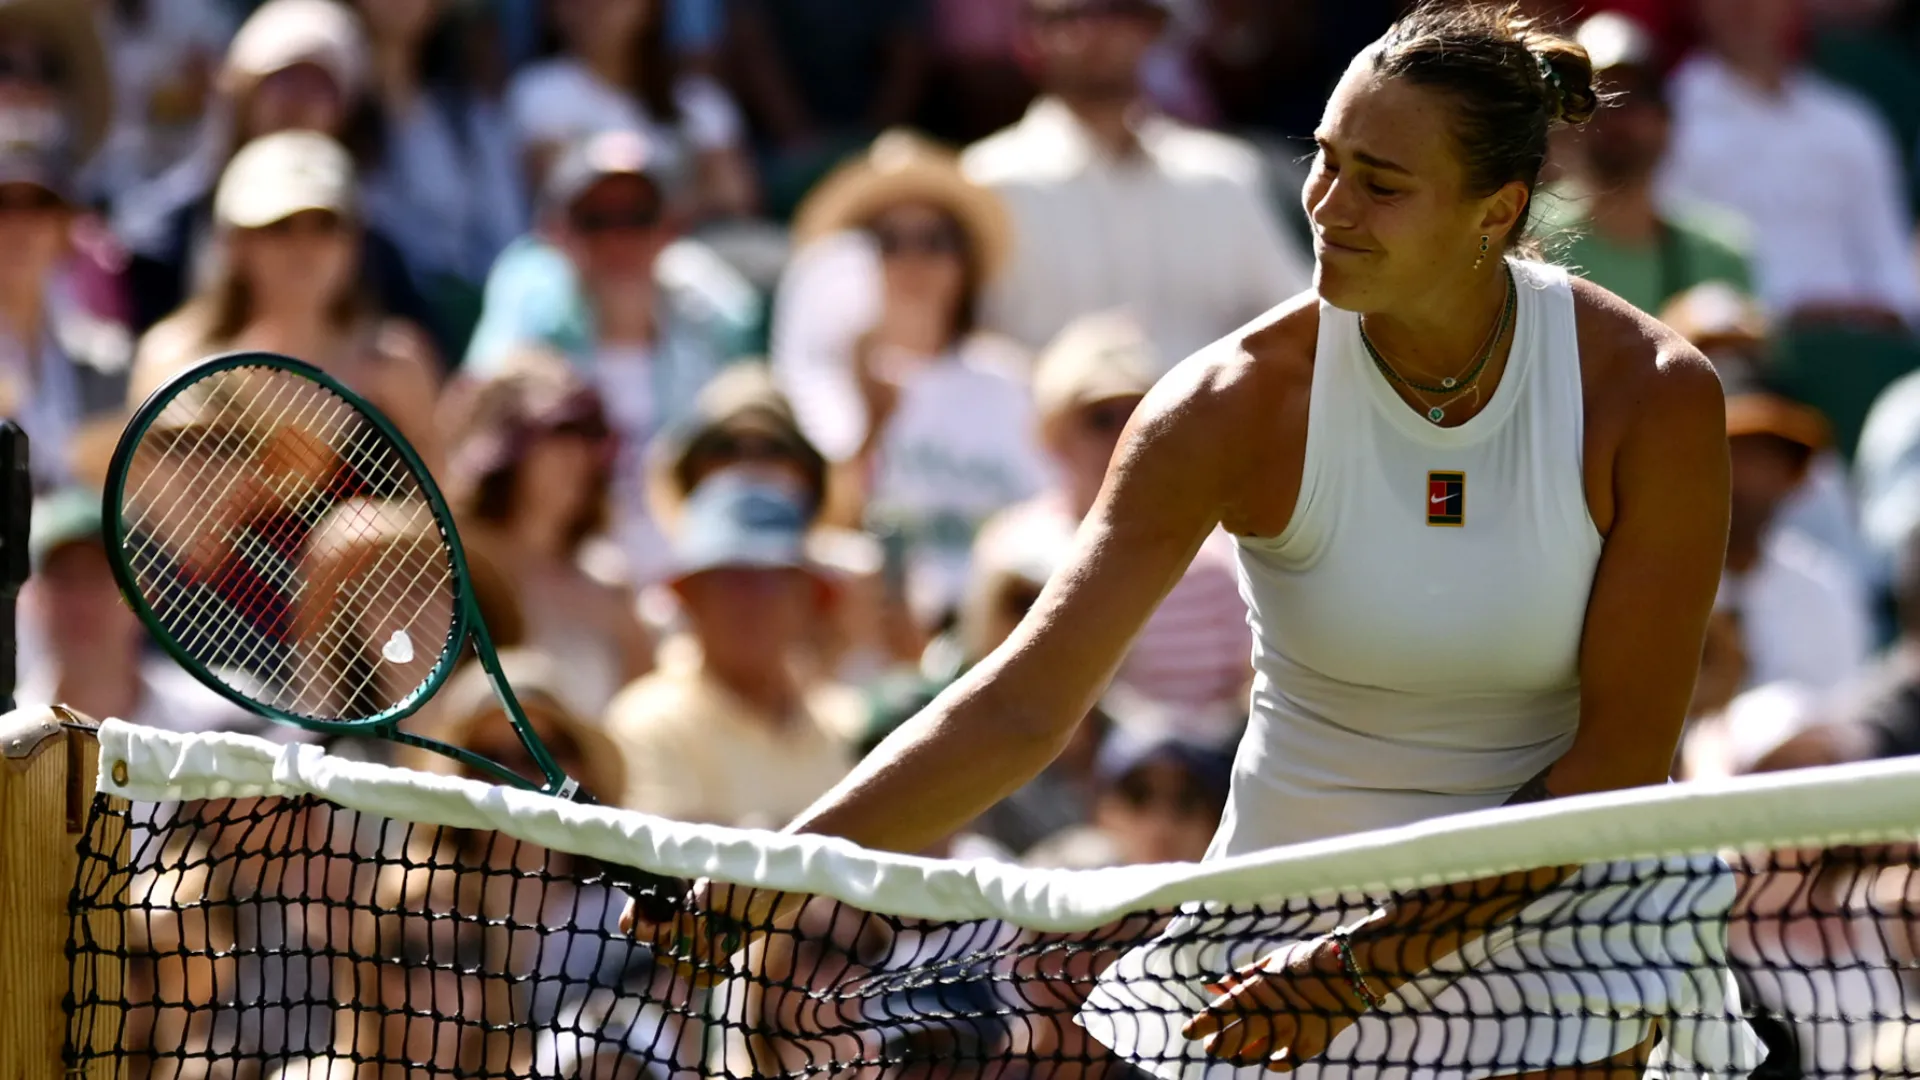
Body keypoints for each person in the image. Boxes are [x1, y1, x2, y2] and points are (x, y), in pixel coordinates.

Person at [629, 4, 1764, 1077]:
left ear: (1497, 212)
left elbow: (1613, 770)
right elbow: (1026, 703)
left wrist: (1351, 971)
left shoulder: (1650, 397)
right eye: (1322, 159)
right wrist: (775, 876)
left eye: (1381, 183)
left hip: (1553, 928)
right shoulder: (1226, 403)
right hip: (1283, 921)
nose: (1327, 204)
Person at [775, 129, 1050, 625]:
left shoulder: (1011, 383)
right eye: (888, 242)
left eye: (934, 241)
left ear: (965, 260)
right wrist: (870, 423)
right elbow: (816, 527)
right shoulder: (815, 382)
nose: (912, 260)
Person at [464, 127, 760, 582]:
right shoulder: (526, 311)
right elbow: (471, 424)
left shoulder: (719, 323)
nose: (618, 240)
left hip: (699, 582)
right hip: (568, 583)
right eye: (595, 220)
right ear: (557, 233)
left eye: (637, 217)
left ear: (670, 228)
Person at [960, 0, 1311, 366]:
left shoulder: (1224, 175)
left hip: (1211, 422)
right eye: (1069, 15)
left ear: (1153, 28)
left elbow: (1300, 318)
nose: (1095, 32)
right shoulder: (985, 183)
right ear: (1030, 37)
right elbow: (955, 349)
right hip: (1036, 421)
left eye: (1117, 11)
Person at [977, 310, 1251, 725]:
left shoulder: (1220, 556)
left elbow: (1249, 694)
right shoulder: (1014, 553)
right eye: (1101, 419)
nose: (1125, 433)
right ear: (1055, 436)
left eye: (1138, 412)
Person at [127, 129, 443, 470]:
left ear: (354, 241)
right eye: (279, 226)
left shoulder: (398, 362)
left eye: (326, 224)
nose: (304, 247)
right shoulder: (173, 360)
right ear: (234, 243)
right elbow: (157, 504)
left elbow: (439, 503)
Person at [603, 473, 862, 828]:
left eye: (773, 580)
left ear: (806, 599)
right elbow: (673, 872)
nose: (751, 602)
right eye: (730, 580)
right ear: (690, 598)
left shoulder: (847, 723)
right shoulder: (647, 720)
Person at [1660, 0, 1919, 326]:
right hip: (1731, 351)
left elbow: (1892, 270)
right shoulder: (1667, 122)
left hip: (1859, 348)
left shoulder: (1850, 123)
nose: (1745, 8)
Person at [440, 350, 656, 721]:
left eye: (591, 437)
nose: (578, 458)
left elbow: (636, 723)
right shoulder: (448, 563)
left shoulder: (611, 587)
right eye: (558, 435)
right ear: (505, 449)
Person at [1543, 12, 1753, 318]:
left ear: (1666, 121)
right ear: (1566, 122)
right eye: (1595, 99)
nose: (1616, 115)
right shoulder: (1525, 240)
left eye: (1633, 99)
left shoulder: (1718, 254)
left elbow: (1746, 355)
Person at [505, 0, 755, 218]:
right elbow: (557, 195)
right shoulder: (537, 90)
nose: (594, 7)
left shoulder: (697, 97)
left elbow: (735, 195)